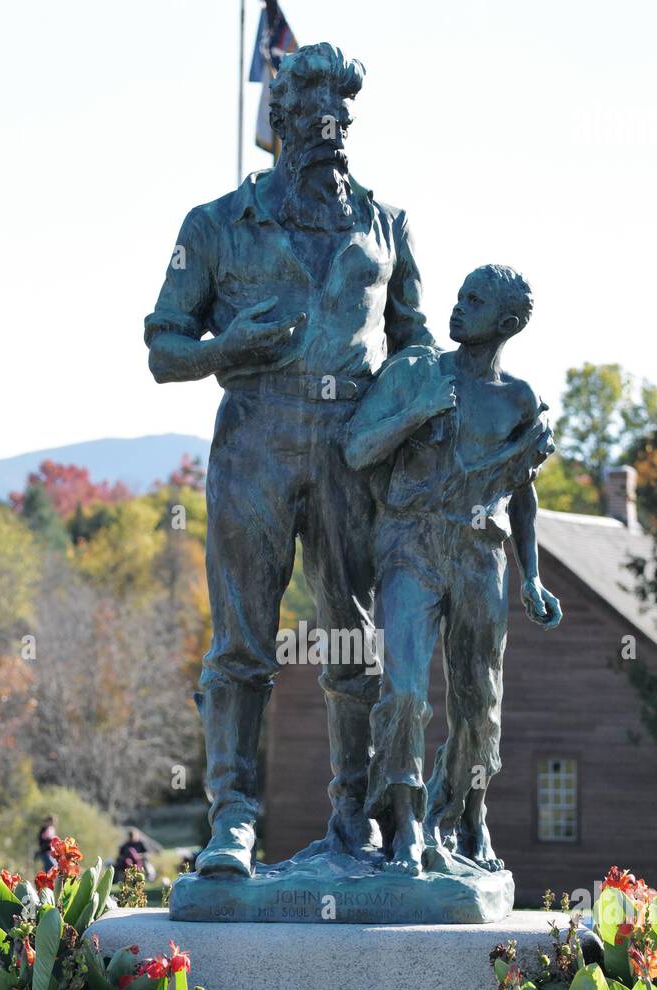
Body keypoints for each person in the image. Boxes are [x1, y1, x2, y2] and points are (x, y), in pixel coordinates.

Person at [144, 42, 433, 876]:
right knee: (241, 643)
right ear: (281, 126)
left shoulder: (386, 225)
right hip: (255, 445)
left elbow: (416, 343)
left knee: (354, 643)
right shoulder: (215, 226)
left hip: (353, 453)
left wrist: (427, 399)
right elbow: (164, 345)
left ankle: (355, 815)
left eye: (342, 116)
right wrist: (223, 346)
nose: (331, 130)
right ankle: (232, 819)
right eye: (314, 115)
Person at [344, 264, 562, 875]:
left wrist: (533, 576)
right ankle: (406, 821)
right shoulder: (416, 370)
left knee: (479, 700)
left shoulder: (518, 401)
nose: (459, 307)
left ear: (507, 324)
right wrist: (414, 414)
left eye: (476, 301)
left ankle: (466, 812)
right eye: (461, 294)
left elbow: (522, 493)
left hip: (479, 556)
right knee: (406, 689)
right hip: (410, 543)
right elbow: (356, 448)